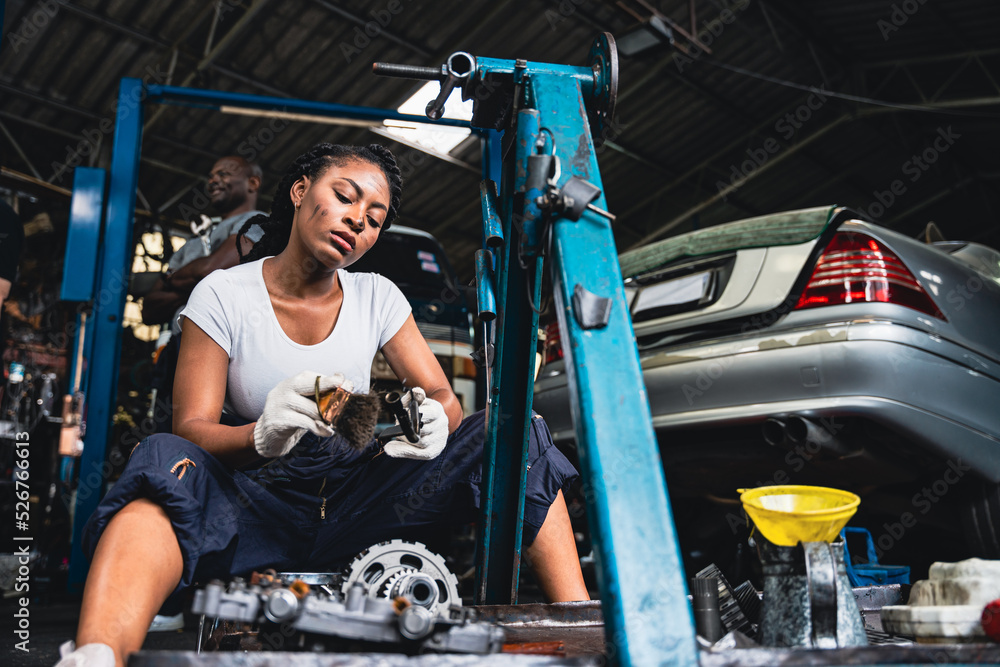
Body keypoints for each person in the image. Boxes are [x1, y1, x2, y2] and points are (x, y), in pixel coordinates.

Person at [57, 143, 588, 667]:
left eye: (374, 218)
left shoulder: (377, 296)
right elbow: (192, 427)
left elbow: (444, 395)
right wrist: (259, 435)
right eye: (346, 197)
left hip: (361, 499)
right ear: (300, 190)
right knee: (162, 458)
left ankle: (585, 632)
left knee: (512, 430)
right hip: (255, 502)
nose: (358, 221)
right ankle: (95, 655)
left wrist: (434, 419)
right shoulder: (223, 294)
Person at [141, 156, 264, 434]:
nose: (213, 180)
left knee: (208, 432)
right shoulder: (192, 243)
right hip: (176, 345)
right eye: (211, 175)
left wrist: (173, 280)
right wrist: (200, 276)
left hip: (222, 344)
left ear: (252, 183)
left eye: (225, 173)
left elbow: (212, 269)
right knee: (168, 432)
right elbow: (149, 309)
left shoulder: (257, 224)